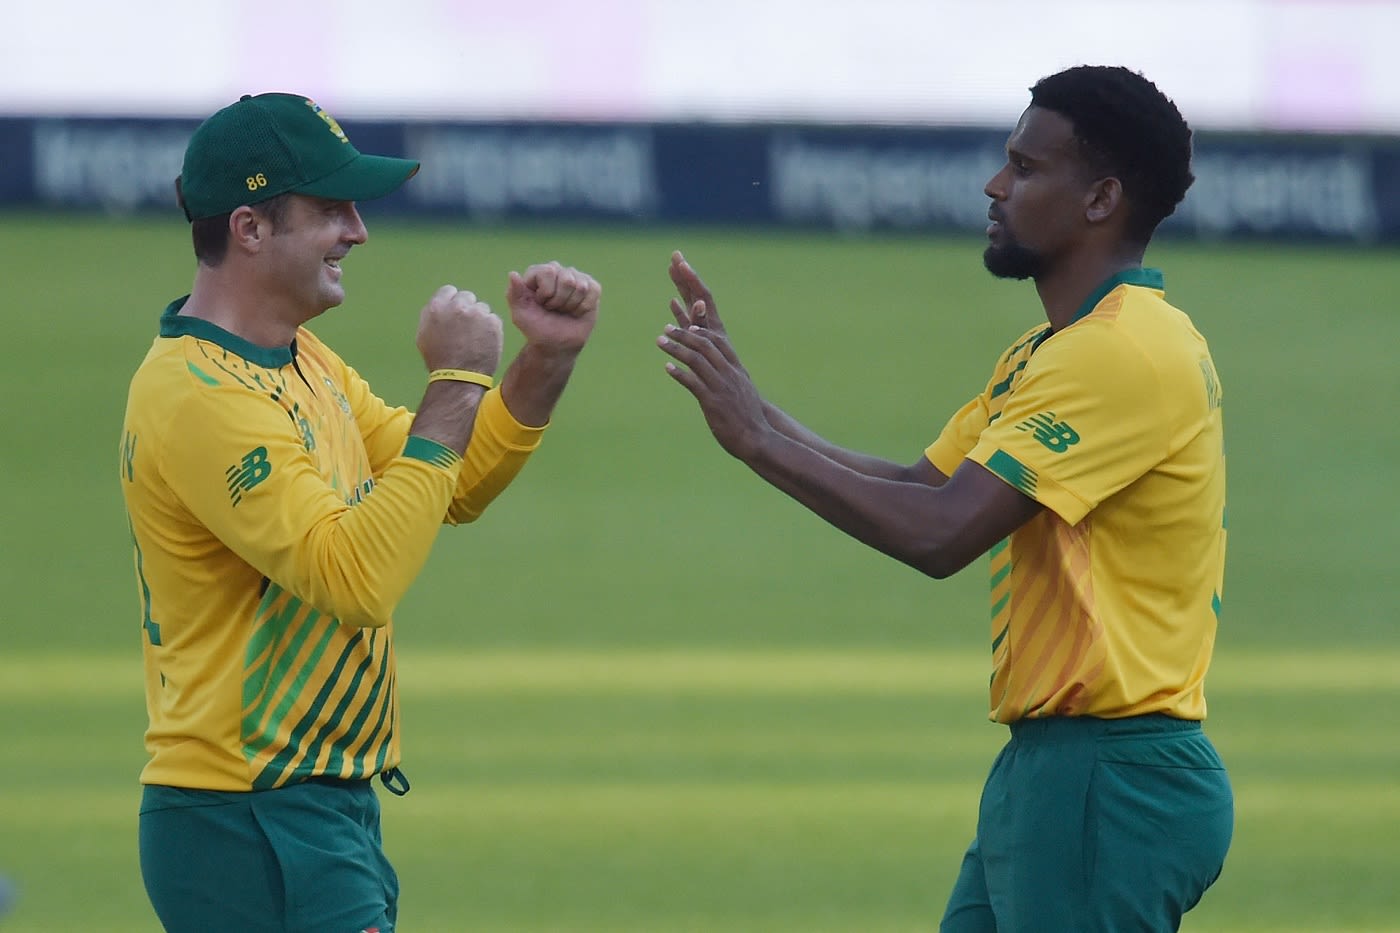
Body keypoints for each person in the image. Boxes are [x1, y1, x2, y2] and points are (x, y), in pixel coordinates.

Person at [656, 65, 1232, 932]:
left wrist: (757, 441)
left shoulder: (1120, 355)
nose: (995, 186)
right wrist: (754, 405)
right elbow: (924, 483)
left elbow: (941, 533)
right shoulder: (1056, 348)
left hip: (1108, 776)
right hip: (1058, 773)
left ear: (1101, 198)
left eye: (1027, 168)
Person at [119, 92, 600, 933]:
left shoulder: (297, 359)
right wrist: (453, 382)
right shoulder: (198, 395)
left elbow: (449, 481)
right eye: (330, 208)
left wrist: (540, 363)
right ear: (249, 228)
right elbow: (355, 577)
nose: (358, 230)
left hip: (301, 806)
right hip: (249, 813)